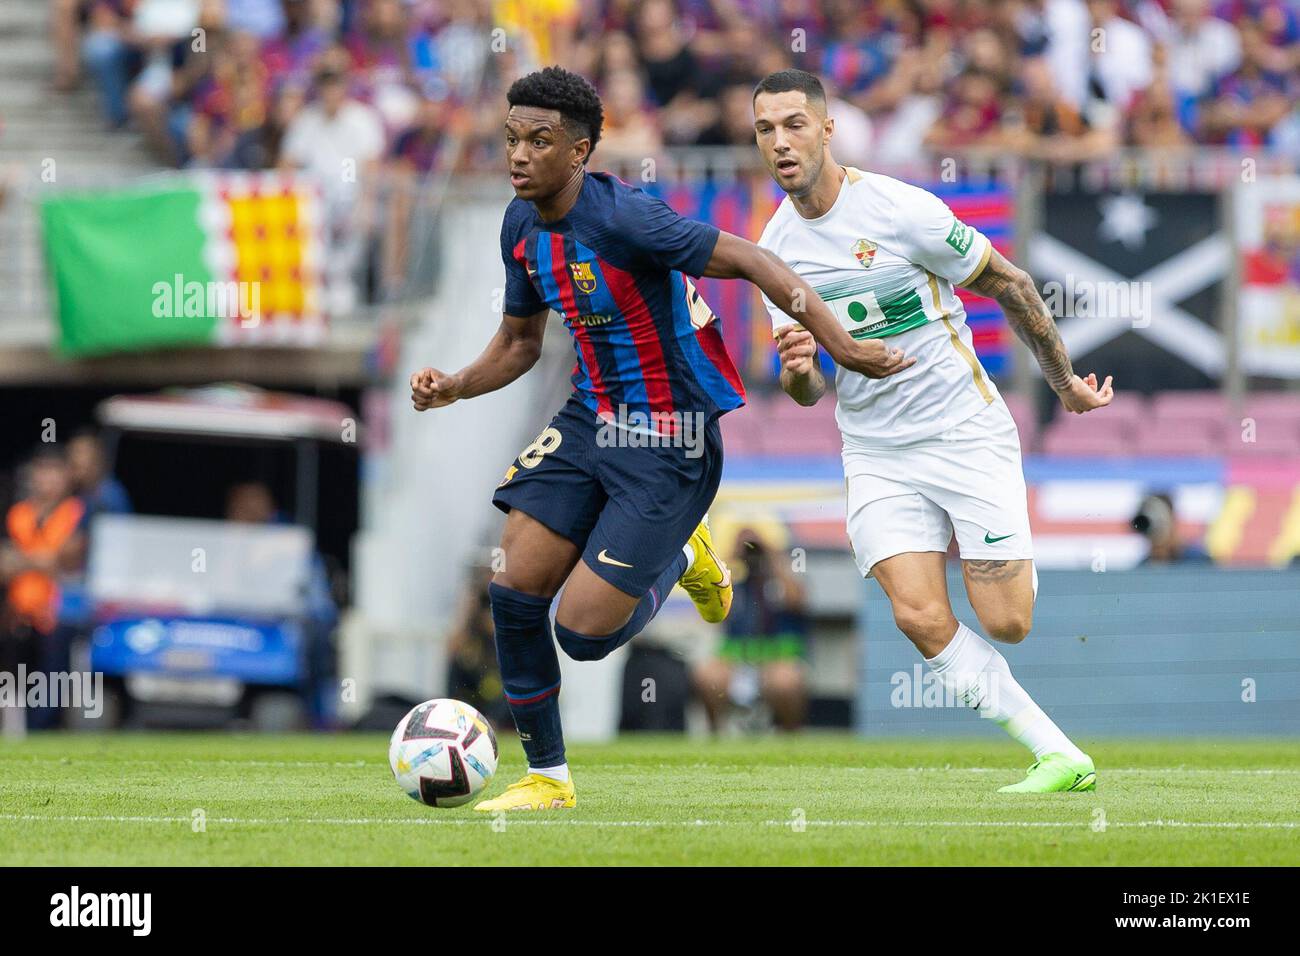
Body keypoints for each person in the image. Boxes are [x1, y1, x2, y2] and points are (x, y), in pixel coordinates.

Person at [409, 65, 913, 812]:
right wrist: (455, 384)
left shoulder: (627, 221)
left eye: (539, 141)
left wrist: (842, 347)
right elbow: (518, 344)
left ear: (579, 151)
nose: (518, 154)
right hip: (590, 418)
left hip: (671, 436)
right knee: (512, 590)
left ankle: (681, 556)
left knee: (581, 635)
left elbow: (756, 260)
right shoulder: (519, 225)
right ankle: (548, 778)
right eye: (511, 138)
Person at [752, 69, 1113, 794]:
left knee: (1007, 622)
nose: (780, 142)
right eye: (765, 129)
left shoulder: (898, 210)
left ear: (828, 129)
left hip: (962, 430)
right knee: (918, 615)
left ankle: (1007, 554)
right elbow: (809, 391)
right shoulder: (774, 250)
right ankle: (1057, 755)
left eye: (795, 124)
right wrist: (797, 370)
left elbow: (1010, 283)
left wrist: (1063, 381)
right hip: (876, 449)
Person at [694, 528, 808, 732]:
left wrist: (773, 558)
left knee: (784, 681)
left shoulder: (781, 585)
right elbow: (711, 605)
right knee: (708, 675)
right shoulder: (734, 589)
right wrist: (728, 561)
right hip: (736, 662)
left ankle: (791, 734)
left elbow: (797, 600)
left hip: (777, 660)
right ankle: (715, 733)